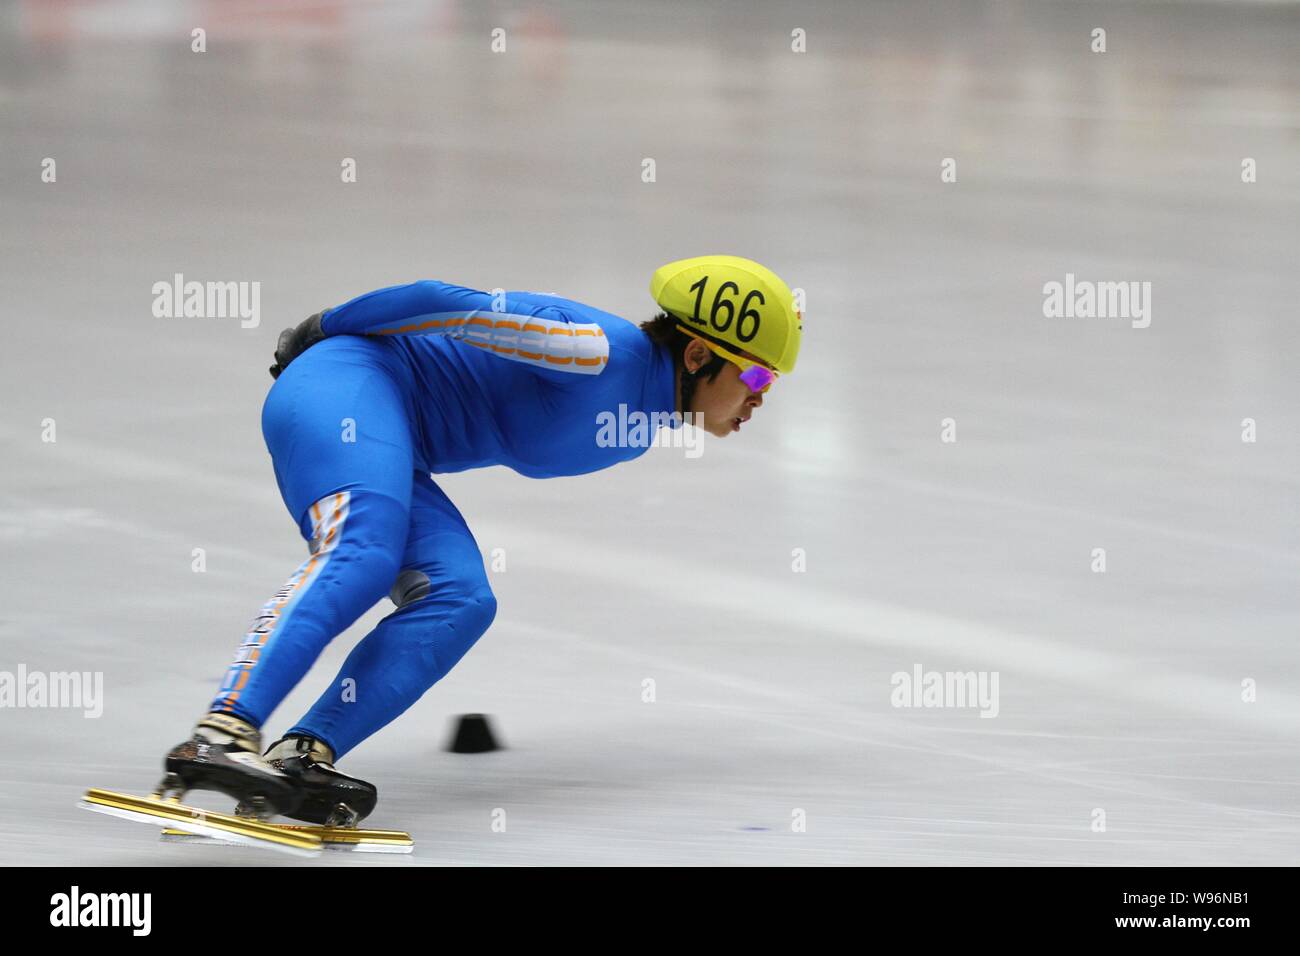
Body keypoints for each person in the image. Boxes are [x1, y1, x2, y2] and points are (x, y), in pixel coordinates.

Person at [157, 255, 802, 826]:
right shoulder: (595, 351)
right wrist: (319, 329)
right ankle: (224, 728)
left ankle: (305, 751)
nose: (760, 399)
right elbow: (440, 302)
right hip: (343, 385)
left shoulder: (642, 417)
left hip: (394, 438)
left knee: (461, 598)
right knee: (365, 550)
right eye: (756, 379)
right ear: (697, 355)